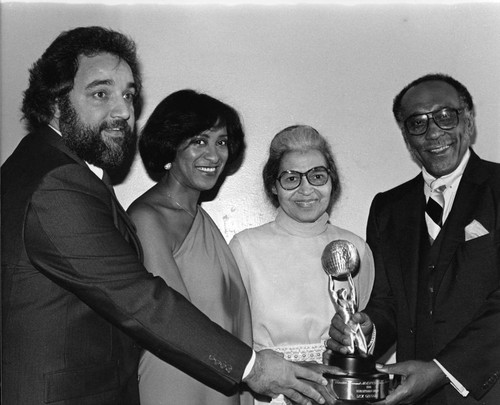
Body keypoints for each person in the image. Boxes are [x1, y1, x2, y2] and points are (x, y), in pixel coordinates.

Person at [1, 26, 337, 405]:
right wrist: (252, 368)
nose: (125, 111)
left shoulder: (57, 170)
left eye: (129, 95)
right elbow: (141, 300)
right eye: (101, 93)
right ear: (53, 102)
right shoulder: (56, 181)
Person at [327, 73, 500, 405]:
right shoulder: (387, 208)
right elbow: (386, 303)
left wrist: (441, 370)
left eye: (445, 116)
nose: (433, 131)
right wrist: (366, 329)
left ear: (469, 120)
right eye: (417, 123)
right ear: (406, 136)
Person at [229, 125, 375, 404]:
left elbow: (362, 326)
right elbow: (233, 338)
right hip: (270, 396)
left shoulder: (355, 248)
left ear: (332, 181)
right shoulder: (245, 247)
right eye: (291, 178)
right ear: (273, 185)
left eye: (317, 176)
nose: (306, 189)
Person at [127, 89, 253, 405]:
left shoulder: (200, 217)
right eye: (199, 141)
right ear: (170, 144)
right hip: (175, 385)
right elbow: (174, 325)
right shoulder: (148, 218)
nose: (214, 155)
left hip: (221, 381)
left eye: (221, 142)